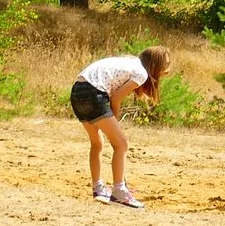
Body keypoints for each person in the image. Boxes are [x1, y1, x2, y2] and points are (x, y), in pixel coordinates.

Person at [71, 47, 169, 207]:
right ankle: (119, 193)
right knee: (121, 144)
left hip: (77, 91)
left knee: (97, 143)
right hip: (93, 92)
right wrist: (115, 125)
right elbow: (116, 99)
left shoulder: (129, 62)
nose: (165, 72)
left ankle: (98, 189)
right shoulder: (141, 73)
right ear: (155, 65)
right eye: (164, 67)